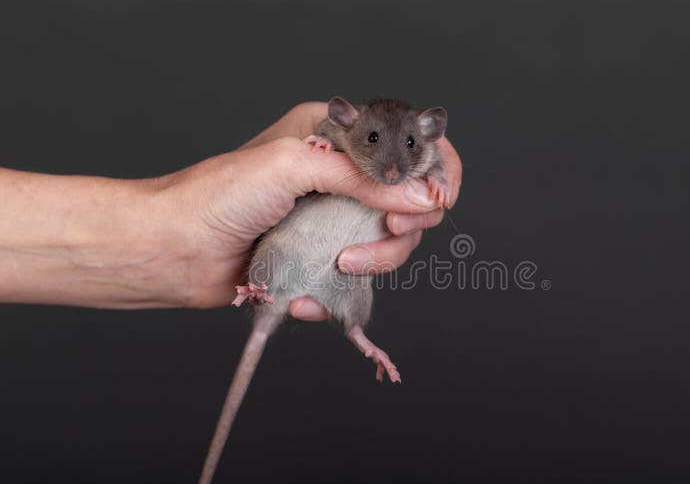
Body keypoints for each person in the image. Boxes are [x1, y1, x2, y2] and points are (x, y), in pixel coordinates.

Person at [0, 101, 462, 321]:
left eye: (408, 147)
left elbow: (430, 161)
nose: (393, 166)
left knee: (355, 276)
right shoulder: (336, 136)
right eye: (376, 143)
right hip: (291, 245)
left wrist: (436, 179)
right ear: (345, 127)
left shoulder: (423, 155)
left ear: (427, 133)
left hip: (310, 256)